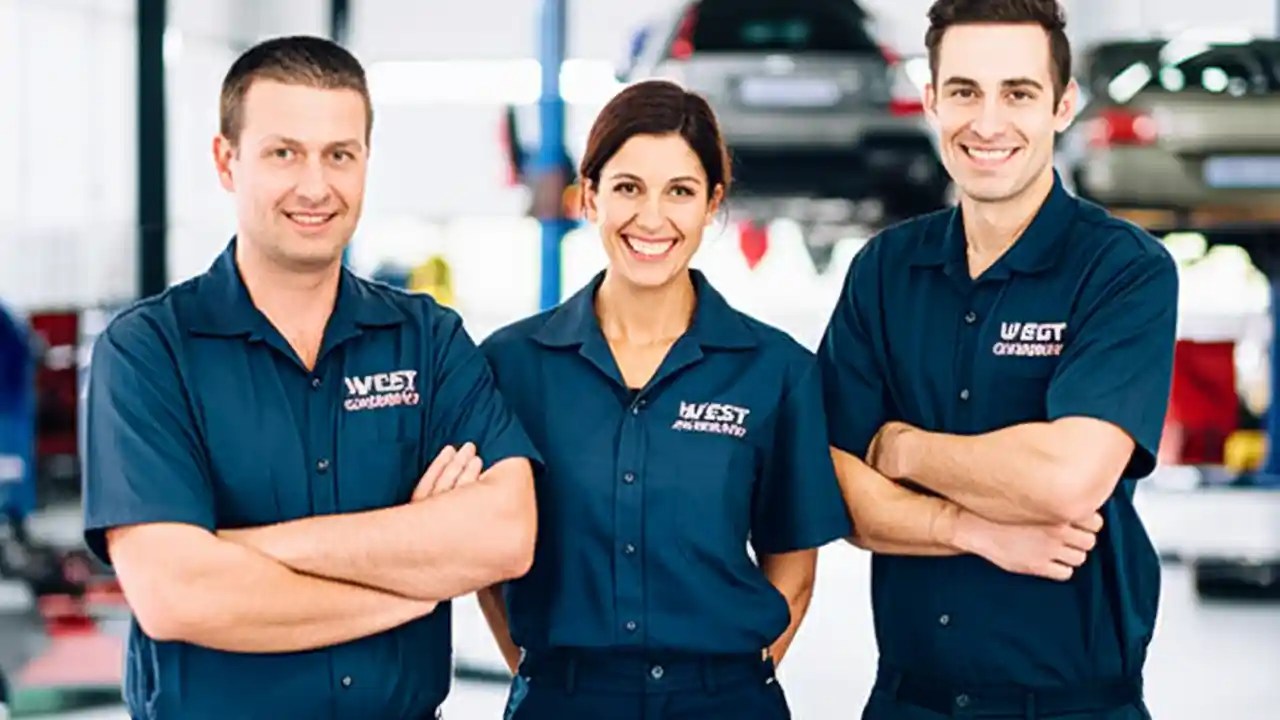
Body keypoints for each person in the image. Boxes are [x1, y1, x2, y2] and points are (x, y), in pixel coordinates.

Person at [81, 36, 540, 720]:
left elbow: (505, 534)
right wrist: (418, 575)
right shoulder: (150, 352)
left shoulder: (426, 339)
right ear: (226, 161)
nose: (316, 186)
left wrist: (248, 552)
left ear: (365, 162)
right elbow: (177, 593)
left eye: (339, 155)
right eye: (283, 152)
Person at [818, 1, 1178, 718]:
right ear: (930, 100)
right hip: (906, 700)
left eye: (1017, 92)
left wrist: (900, 447)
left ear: (1063, 105)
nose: (987, 122)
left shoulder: (1122, 271)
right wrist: (973, 529)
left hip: (1073, 704)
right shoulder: (884, 271)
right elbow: (836, 490)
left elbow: (1066, 480)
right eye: (964, 92)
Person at [477, 79, 853, 720]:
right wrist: (551, 683)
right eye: (628, 188)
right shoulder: (511, 365)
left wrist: (733, 685)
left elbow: (793, 565)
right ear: (590, 196)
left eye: (679, 191)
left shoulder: (775, 370)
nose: (652, 218)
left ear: (712, 204)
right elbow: (490, 562)